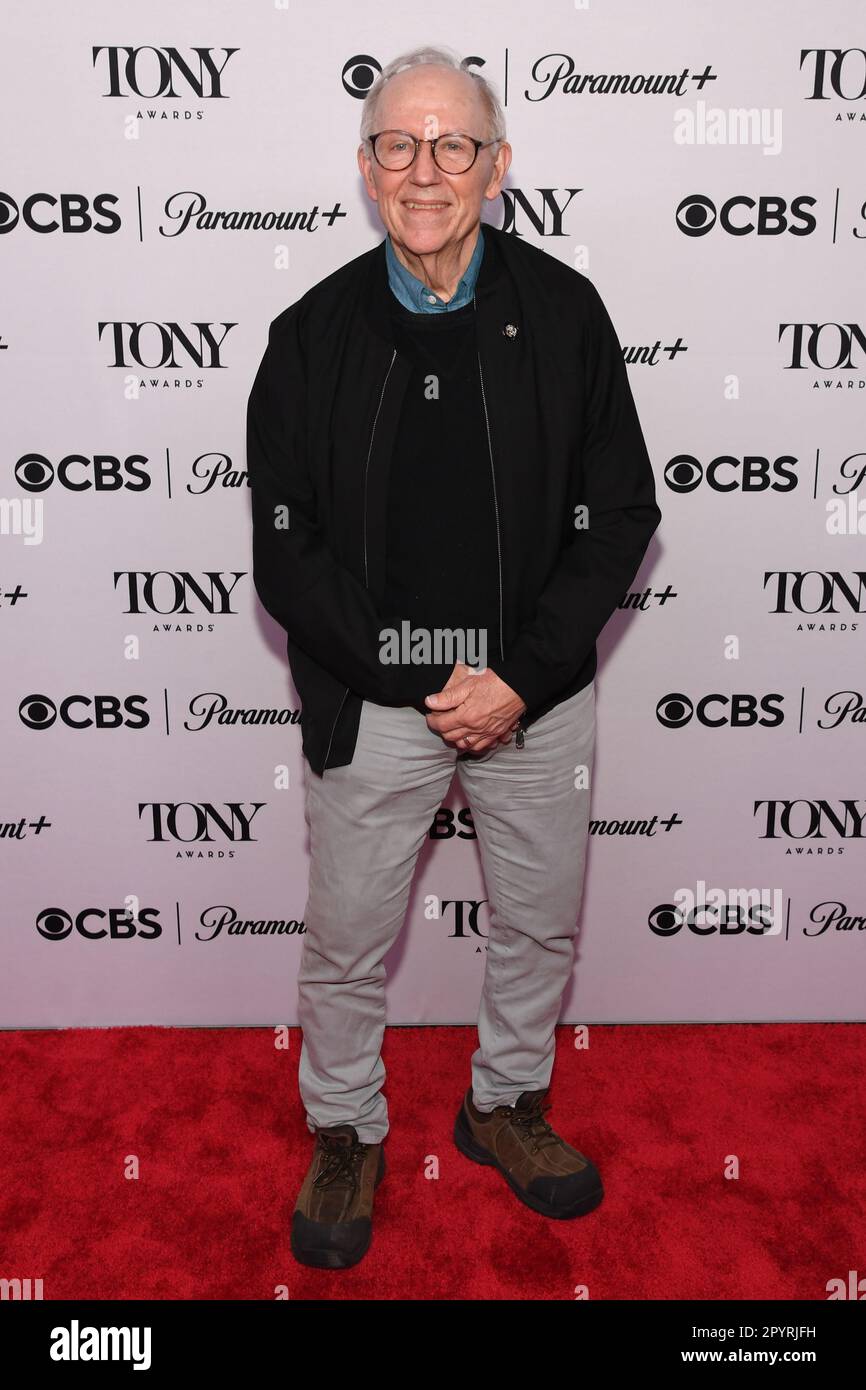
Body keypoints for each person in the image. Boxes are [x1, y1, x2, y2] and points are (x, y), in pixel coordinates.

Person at [246, 44, 662, 1270]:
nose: (424, 169)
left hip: (532, 693)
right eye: (396, 144)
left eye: (452, 145)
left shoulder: (568, 316)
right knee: (346, 937)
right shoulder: (309, 333)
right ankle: (344, 1126)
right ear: (366, 166)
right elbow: (286, 545)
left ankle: (505, 1104)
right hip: (375, 700)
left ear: (497, 167)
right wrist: (411, 672)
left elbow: (619, 513)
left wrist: (516, 676)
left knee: (535, 925)